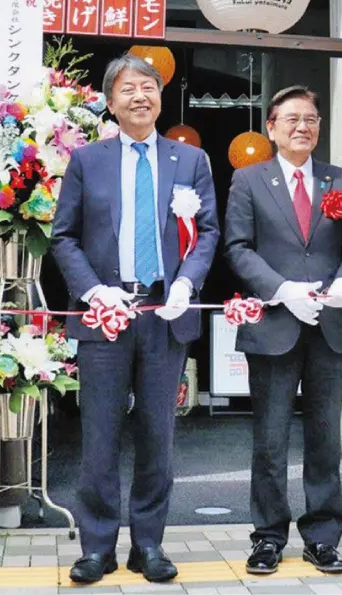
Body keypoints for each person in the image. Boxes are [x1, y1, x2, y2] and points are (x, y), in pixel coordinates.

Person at [51, 54, 220, 584]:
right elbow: (64, 236)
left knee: (157, 435)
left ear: (161, 97)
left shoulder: (189, 160)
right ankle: (97, 545)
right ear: (110, 101)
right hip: (104, 314)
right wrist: (95, 290)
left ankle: (149, 543)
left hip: (164, 313)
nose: (140, 96)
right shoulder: (88, 161)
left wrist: (187, 283)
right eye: (128, 89)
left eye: (149, 87)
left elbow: (208, 232)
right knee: (99, 433)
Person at [224, 86, 342, 576]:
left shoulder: (341, 180)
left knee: (325, 436)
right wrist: (282, 288)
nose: (302, 127)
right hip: (275, 323)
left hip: (330, 323)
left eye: (310, 119)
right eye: (291, 119)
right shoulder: (249, 181)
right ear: (271, 127)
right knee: (269, 438)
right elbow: (239, 248)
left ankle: (323, 537)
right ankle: (267, 536)